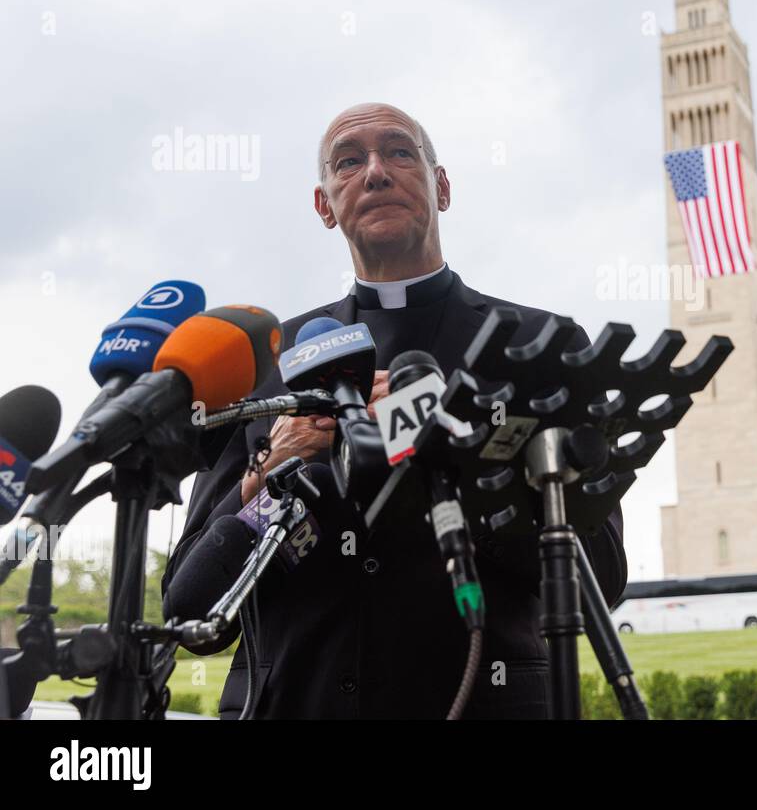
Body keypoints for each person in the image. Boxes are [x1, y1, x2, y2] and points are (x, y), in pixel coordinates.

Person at [162, 103, 628, 718]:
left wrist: (450, 450)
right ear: (324, 206)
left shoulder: (538, 347)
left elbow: (604, 572)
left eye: (400, 152)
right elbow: (193, 613)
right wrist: (273, 472)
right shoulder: (262, 362)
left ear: (442, 186)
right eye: (349, 162)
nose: (375, 172)